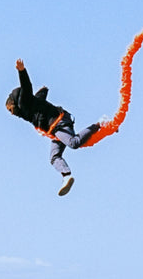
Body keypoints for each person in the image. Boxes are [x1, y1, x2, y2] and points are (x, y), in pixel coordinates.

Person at [6, 59, 100, 195]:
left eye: (10, 109)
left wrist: (22, 71)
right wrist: (44, 90)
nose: (11, 113)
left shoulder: (24, 102)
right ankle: (66, 176)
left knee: (74, 143)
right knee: (54, 157)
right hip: (54, 132)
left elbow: (26, 86)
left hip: (59, 123)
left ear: (14, 103)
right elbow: (39, 98)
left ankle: (98, 124)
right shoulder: (26, 111)